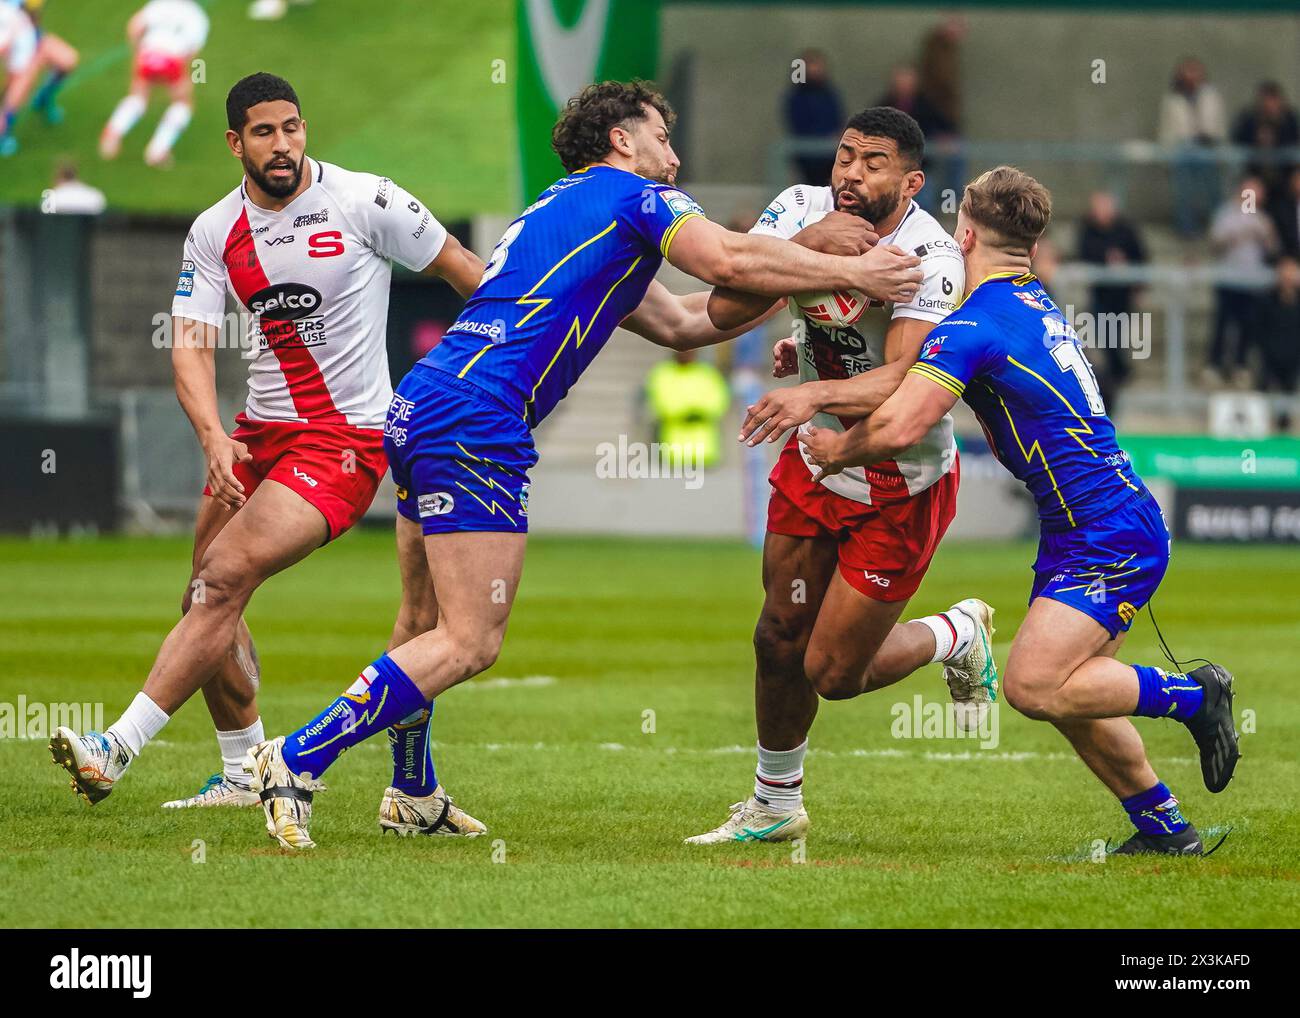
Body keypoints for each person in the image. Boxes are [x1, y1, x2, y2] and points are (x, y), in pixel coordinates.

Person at [237, 79, 925, 849]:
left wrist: (800, 262)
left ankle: (411, 790)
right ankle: (295, 758)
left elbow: (688, 321)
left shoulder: (566, 210)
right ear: (624, 141)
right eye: (662, 134)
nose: (674, 150)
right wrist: (855, 272)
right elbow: (726, 258)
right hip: (476, 419)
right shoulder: (635, 199)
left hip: (425, 401)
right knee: (469, 640)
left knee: (422, 620)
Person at [50, 72, 494, 840]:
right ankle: (240, 769)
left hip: (345, 442)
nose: (283, 145)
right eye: (264, 132)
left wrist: (495, 373)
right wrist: (214, 439)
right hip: (256, 435)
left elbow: (468, 273)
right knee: (205, 594)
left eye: (292, 128)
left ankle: (113, 750)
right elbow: (188, 344)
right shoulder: (214, 230)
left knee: (224, 575)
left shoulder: (366, 200)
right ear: (236, 143)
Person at [801, 166, 1241, 855]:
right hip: (1097, 526)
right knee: (1075, 691)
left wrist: (835, 449)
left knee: (1035, 685)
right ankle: (1166, 831)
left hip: (1107, 535)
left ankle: (1194, 697)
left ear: (965, 233)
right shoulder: (1031, 301)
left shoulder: (972, 326)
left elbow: (900, 426)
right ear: (1031, 248)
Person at [683, 106, 994, 844]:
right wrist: (808, 249)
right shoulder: (797, 208)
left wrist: (812, 393)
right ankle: (775, 805)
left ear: (911, 180)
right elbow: (729, 303)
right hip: (812, 462)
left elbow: (907, 377)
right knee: (776, 635)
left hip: (899, 478)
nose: (851, 172)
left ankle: (956, 633)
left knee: (833, 671)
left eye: (874, 162)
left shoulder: (932, 255)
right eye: (846, 156)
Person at [100, 0, 210, 166]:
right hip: (172, 59)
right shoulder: (197, 16)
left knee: (138, 97)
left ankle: (112, 136)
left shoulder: (158, 4)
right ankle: (157, 150)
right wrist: (187, 76)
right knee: (182, 103)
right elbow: (192, 51)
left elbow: (135, 26)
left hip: (148, 54)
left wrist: (138, 52)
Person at [1207, 173, 1279, 387]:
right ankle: (1215, 364)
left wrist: (1264, 234)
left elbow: (1273, 248)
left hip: (1251, 281)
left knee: (1247, 326)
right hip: (1229, 278)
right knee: (1222, 323)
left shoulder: (1262, 218)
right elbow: (1215, 242)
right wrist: (1234, 234)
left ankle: (1240, 365)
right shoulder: (1227, 213)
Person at [1077, 191, 1146, 401]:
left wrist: (1138, 284)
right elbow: (1084, 252)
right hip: (1100, 293)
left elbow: (1140, 256)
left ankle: (1120, 372)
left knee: (1117, 334)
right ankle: (1118, 373)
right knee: (1102, 332)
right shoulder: (1088, 229)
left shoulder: (1126, 229)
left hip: (1122, 295)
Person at [1158, 57, 1227, 237]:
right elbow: (1166, 129)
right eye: (1187, 71)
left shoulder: (1211, 95)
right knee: (1184, 193)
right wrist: (1167, 157)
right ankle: (1186, 230)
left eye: (1195, 71)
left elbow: (1219, 122)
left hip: (1207, 145)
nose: (1191, 75)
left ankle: (1219, 229)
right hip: (1182, 148)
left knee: (1213, 192)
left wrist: (1219, 146)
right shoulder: (1172, 98)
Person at [0, 0, 78, 157]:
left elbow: (33, 16)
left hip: (33, 37)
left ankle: (43, 99)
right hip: (18, 49)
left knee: (68, 60)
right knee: (17, 92)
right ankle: (3, 133)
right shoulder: (6, 11)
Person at [645, 349, 731, 469]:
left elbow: (719, 400)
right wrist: (689, 411)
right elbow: (660, 401)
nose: (686, 353)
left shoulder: (708, 373)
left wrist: (699, 411)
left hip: (705, 452)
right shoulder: (662, 373)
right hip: (674, 453)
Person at [784, 48, 843, 186]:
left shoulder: (830, 94)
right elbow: (798, 126)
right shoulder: (796, 97)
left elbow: (837, 118)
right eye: (811, 65)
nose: (815, 69)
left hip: (829, 156)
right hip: (808, 159)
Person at [1231, 81, 1299, 196]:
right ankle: (1247, 214)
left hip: (1283, 176)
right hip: (1254, 174)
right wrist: (1257, 140)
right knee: (1248, 197)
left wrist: (1276, 138)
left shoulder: (1289, 118)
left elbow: (1293, 141)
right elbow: (1237, 139)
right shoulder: (1249, 118)